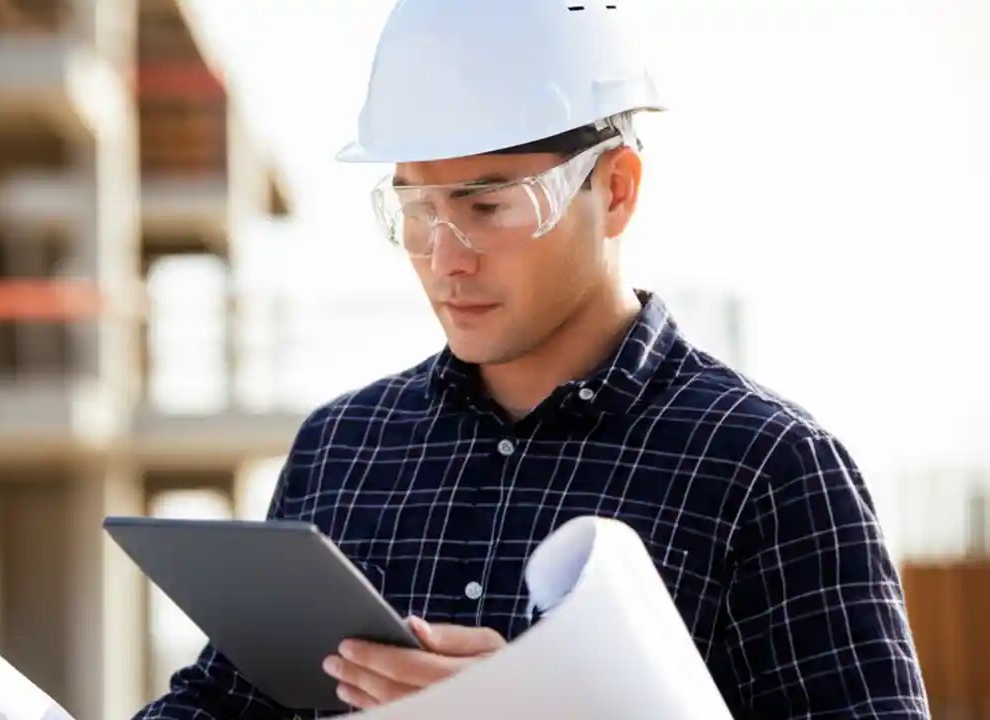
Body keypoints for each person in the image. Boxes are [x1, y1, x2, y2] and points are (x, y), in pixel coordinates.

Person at [135, 1, 931, 717]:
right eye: (415, 208)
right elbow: (230, 702)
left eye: (488, 205)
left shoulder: (768, 470)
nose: (446, 258)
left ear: (616, 189)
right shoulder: (343, 450)